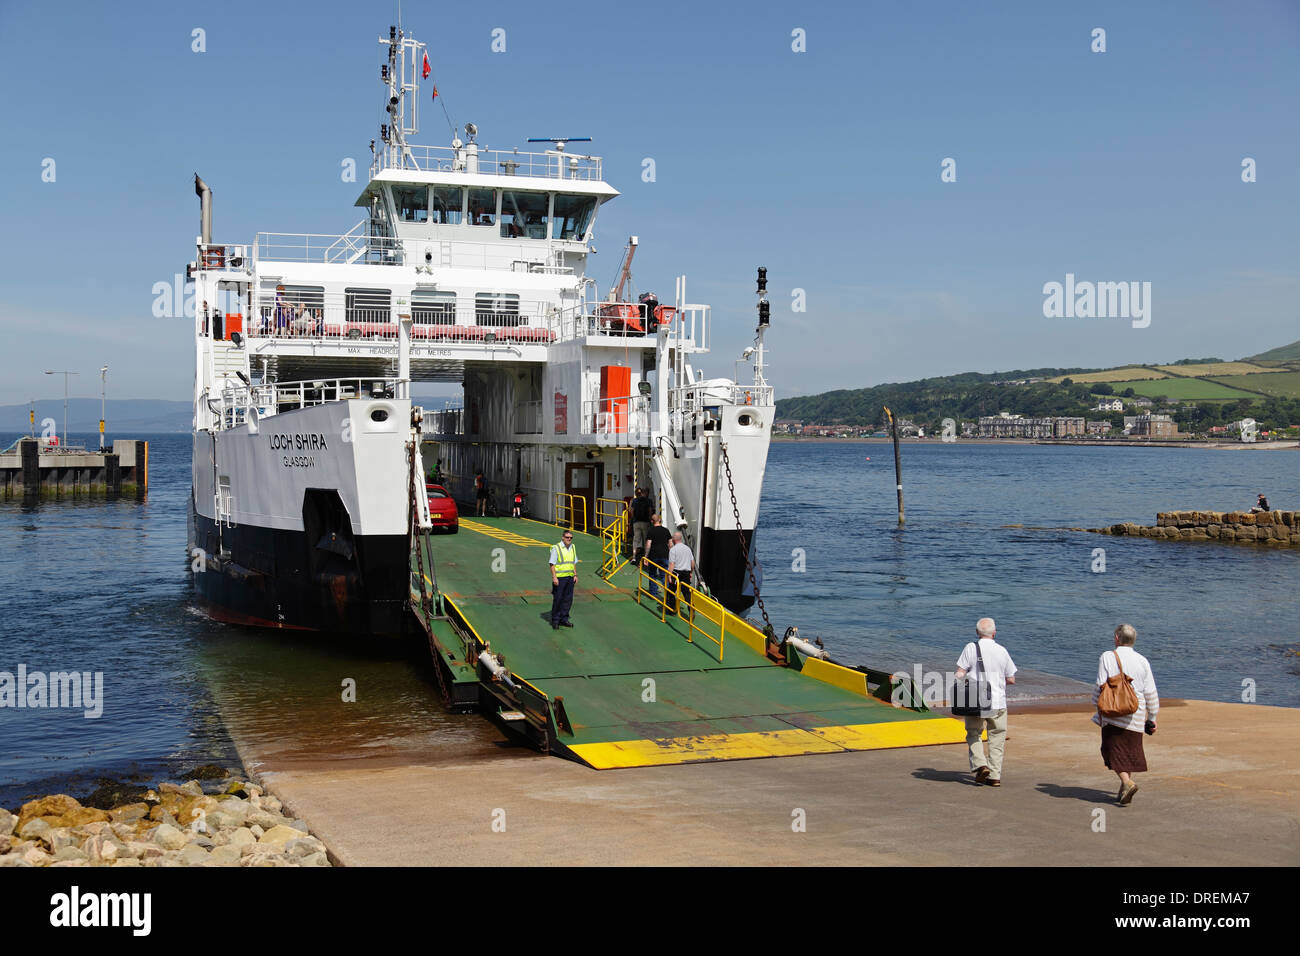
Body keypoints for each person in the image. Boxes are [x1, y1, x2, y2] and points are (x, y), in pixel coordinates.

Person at [1092, 623, 1160, 806]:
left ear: (1116, 638)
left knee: (1111, 751)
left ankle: (1127, 782)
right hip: (1136, 714)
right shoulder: (1143, 661)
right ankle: (1124, 791)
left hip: (1113, 713)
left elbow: (1100, 685)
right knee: (1128, 753)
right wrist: (1152, 718)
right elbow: (1151, 692)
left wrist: (1096, 708)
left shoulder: (1107, 656)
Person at [954, 617, 1018, 787]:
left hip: (976, 701)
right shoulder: (1002, 651)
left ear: (977, 633)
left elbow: (959, 674)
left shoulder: (970, 647)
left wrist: (963, 684)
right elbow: (1011, 679)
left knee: (974, 733)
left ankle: (980, 764)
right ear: (994, 633)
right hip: (998, 702)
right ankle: (995, 776)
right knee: (996, 738)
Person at [548, 530, 577, 629]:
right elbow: (552, 564)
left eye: (570, 538)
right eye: (567, 537)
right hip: (560, 579)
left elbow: (573, 562)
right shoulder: (556, 548)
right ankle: (555, 620)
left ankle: (564, 619)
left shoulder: (572, 547)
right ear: (563, 537)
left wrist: (575, 575)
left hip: (570, 578)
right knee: (558, 599)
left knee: (568, 599)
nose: (569, 539)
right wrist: (554, 577)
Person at [641, 513, 672, 601]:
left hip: (653, 556)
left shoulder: (651, 531)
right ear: (660, 520)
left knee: (652, 574)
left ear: (652, 521)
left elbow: (648, 544)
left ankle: (653, 594)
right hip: (664, 556)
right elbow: (670, 544)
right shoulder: (666, 530)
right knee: (664, 576)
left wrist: (646, 556)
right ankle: (669, 595)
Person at [667, 532, 695, 617]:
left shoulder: (673, 550)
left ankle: (672, 610)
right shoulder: (688, 549)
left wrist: (669, 575)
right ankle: (691, 608)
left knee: (671, 591)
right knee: (686, 592)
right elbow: (692, 562)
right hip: (686, 573)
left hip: (676, 573)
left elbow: (672, 564)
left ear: (674, 539)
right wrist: (690, 572)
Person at [629, 487, 652, 559]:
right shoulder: (648, 501)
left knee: (636, 540)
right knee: (646, 539)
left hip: (636, 522)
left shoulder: (635, 500)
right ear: (645, 493)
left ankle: (634, 556)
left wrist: (634, 518)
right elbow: (650, 511)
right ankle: (646, 556)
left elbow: (631, 510)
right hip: (645, 522)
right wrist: (649, 519)